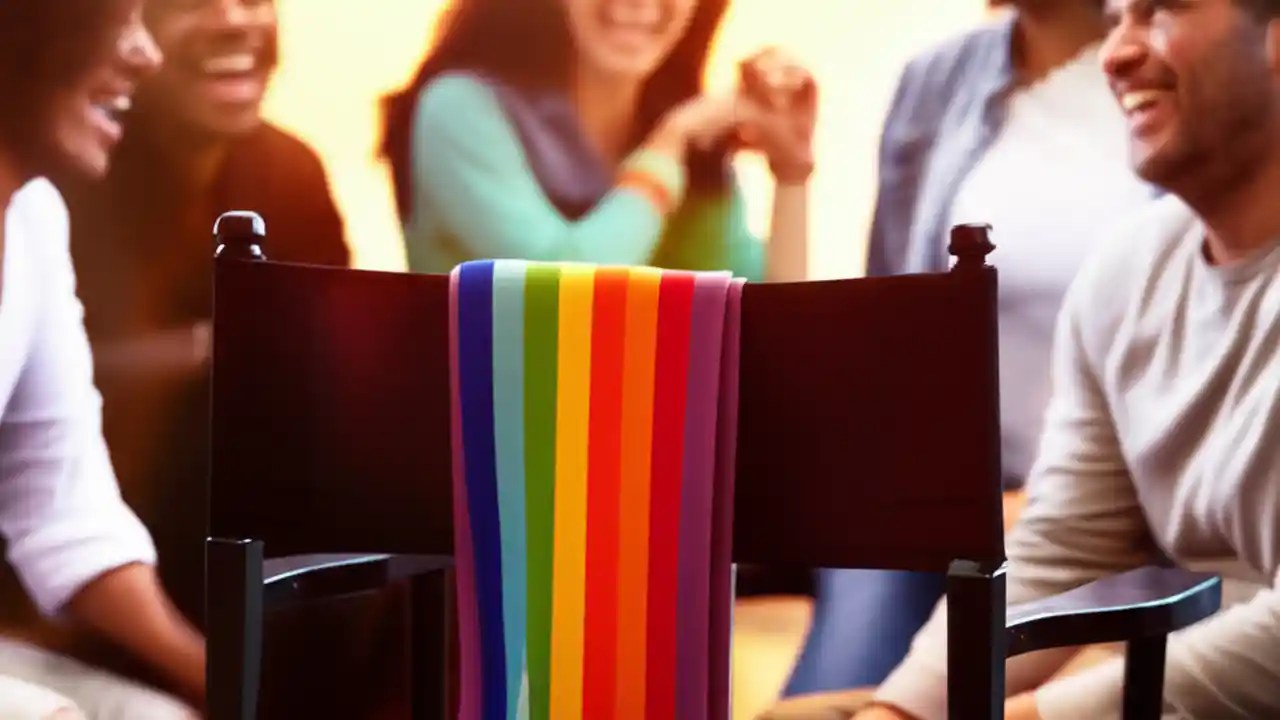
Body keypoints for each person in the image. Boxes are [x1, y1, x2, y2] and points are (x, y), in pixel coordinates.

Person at [818, 0, 1280, 717]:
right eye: (1118, 17)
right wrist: (902, 710)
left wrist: (1037, 714)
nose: (1117, 53)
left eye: (1160, 12)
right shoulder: (1127, 271)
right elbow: (1065, 547)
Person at [774, 0, 1158, 702]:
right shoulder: (935, 79)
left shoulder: (1182, 77)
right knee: (825, 697)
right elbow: (892, 332)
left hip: (1115, 511)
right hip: (943, 503)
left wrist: (1051, 502)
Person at [55, 0, 349, 626]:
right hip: (76, 578)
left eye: (254, 0)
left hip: (254, 579)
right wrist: (207, 351)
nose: (234, 20)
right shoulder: (63, 172)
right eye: (191, 3)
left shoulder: (290, 172)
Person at [0, 0, 205, 717]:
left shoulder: (34, 219)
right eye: (120, 19)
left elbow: (63, 509)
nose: (147, 55)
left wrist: (225, 681)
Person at [382, 0, 816, 282]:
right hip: (490, 422)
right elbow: (564, 289)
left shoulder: (683, 129)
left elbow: (772, 325)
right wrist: (667, 146)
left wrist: (791, 170)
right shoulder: (459, 108)